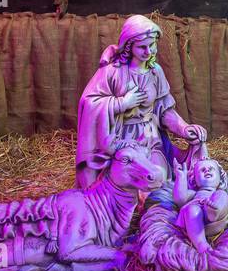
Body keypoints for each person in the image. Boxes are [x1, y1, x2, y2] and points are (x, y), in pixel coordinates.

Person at [75, 15, 206, 190]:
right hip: (122, 143)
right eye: (142, 47)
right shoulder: (112, 72)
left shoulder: (155, 72)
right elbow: (89, 102)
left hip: (151, 139)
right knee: (130, 189)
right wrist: (122, 103)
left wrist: (183, 128)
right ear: (129, 46)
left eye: (151, 45)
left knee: (159, 183)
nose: (149, 52)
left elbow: (164, 111)